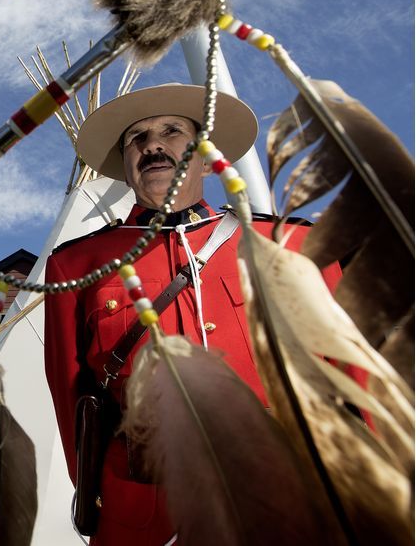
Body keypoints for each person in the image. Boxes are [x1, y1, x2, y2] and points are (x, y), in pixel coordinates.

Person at [43, 83, 340, 546]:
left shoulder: (289, 244)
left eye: (172, 131)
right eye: (136, 139)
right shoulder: (77, 266)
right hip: (144, 513)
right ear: (126, 166)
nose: (153, 145)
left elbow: (351, 376)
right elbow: (73, 404)